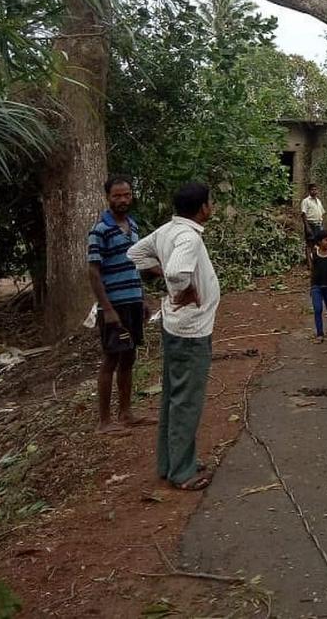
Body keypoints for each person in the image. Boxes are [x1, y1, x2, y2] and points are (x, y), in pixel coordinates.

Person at [127, 181, 219, 492]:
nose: (212, 205)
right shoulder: (187, 238)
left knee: (173, 396)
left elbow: (135, 253)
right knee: (186, 401)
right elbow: (179, 272)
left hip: (176, 326)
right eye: (210, 201)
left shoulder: (168, 230)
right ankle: (182, 472)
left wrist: (162, 271)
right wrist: (182, 289)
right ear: (201, 207)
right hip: (191, 330)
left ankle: (171, 462)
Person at [87, 174, 152, 435]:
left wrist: (143, 298)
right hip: (114, 305)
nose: (123, 200)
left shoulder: (133, 226)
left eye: (127, 195)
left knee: (129, 356)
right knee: (111, 359)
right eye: (117, 196)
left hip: (133, 302)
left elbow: (134, 265)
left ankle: (126, 414)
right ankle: (104, 422)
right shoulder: (99, 230)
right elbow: (93, 271)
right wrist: (108, 309)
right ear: (108, 197)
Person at [307, 228, 327, 341]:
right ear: (319, 242)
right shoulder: (313, 255)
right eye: (326, 240)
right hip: (316, 285)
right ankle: (320, 333)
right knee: (317, 309)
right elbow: (312, 271)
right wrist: (311, 286)